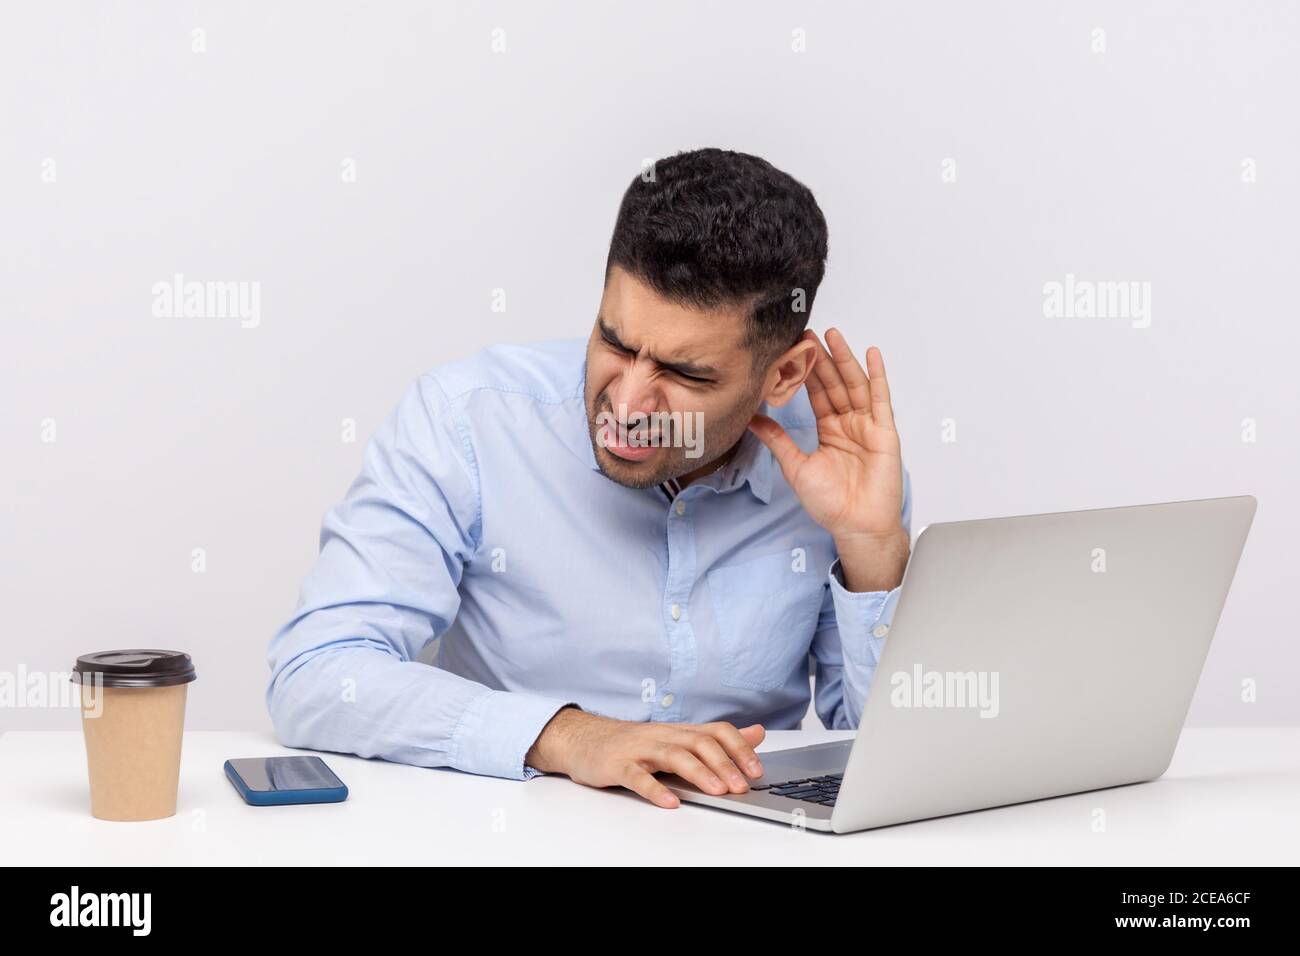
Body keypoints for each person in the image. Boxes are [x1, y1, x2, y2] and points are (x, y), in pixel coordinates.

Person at [267, 147, 912, 809]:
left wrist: (873, 551)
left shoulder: (836, 466)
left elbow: (894, 762)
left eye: (686, 374)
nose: (627, 408)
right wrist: (565, 735)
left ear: (782, 375)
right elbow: (316, 674)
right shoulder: (469, 422)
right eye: (614, 342)